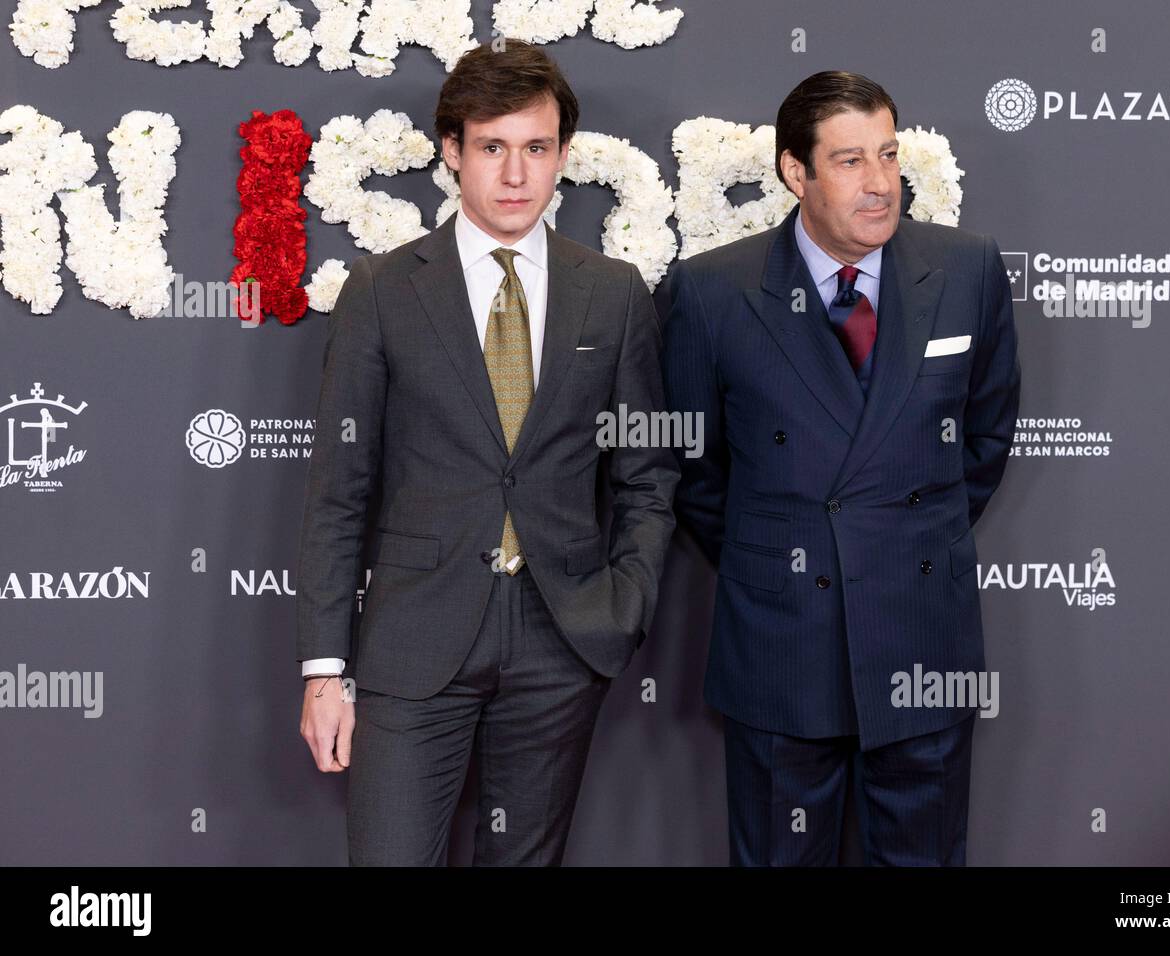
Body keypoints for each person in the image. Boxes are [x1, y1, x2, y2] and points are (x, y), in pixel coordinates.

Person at [295, 38, 678, 866]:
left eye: (536, 149)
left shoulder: (610, 294)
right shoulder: (383, 291)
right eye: (493, 148)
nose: (515, 175)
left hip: (560, 636)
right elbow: (339, 490)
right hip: (411, 637)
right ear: (452, 153)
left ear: (562, 157)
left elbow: (647, 474)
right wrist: (325, 668)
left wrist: (624, 601)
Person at [661, 71, 1020, 865]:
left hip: (923, 634)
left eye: (889, 155)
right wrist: (783, 556)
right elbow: (694, 468)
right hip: (781, 645)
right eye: (851, 160)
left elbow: (986, 438)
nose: (881, 184)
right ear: (797, 172)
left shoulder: (967, 271)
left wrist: (904, 540)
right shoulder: (711, 293)